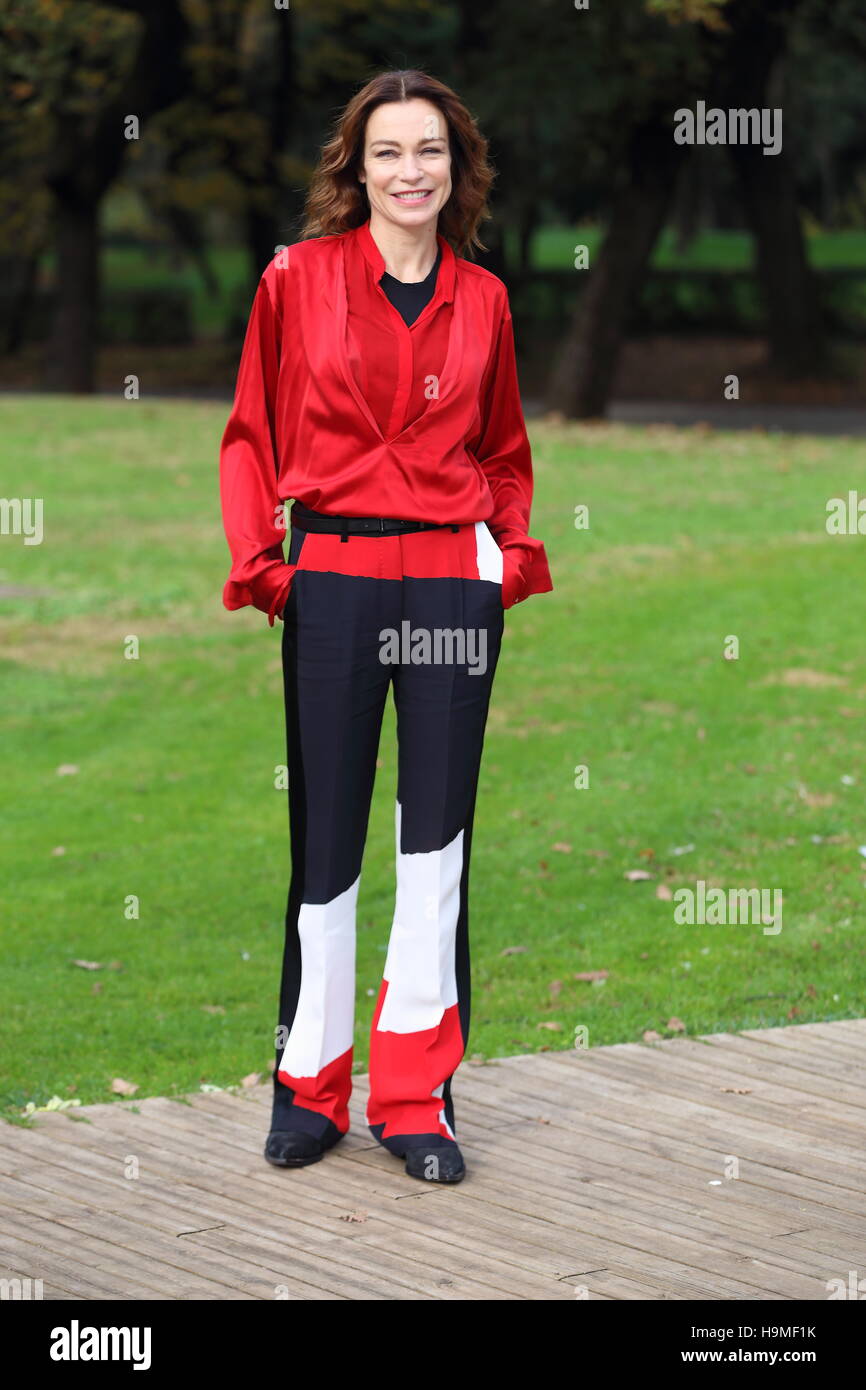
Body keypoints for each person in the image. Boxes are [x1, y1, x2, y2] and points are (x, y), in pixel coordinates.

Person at [219, 68, 553, 1185]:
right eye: (387, 152)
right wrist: (268, 567)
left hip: (449, 585)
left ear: (456, 169)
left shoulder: (487, 298)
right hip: (336, 575)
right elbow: (248, 437)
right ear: (353, 170)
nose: (409, 172)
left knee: (436, 841)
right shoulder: (295, 281)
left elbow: (503, 451)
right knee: (323, 840)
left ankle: (416, 1098)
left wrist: (498, 548)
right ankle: (308, 1088)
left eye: (429, 152)